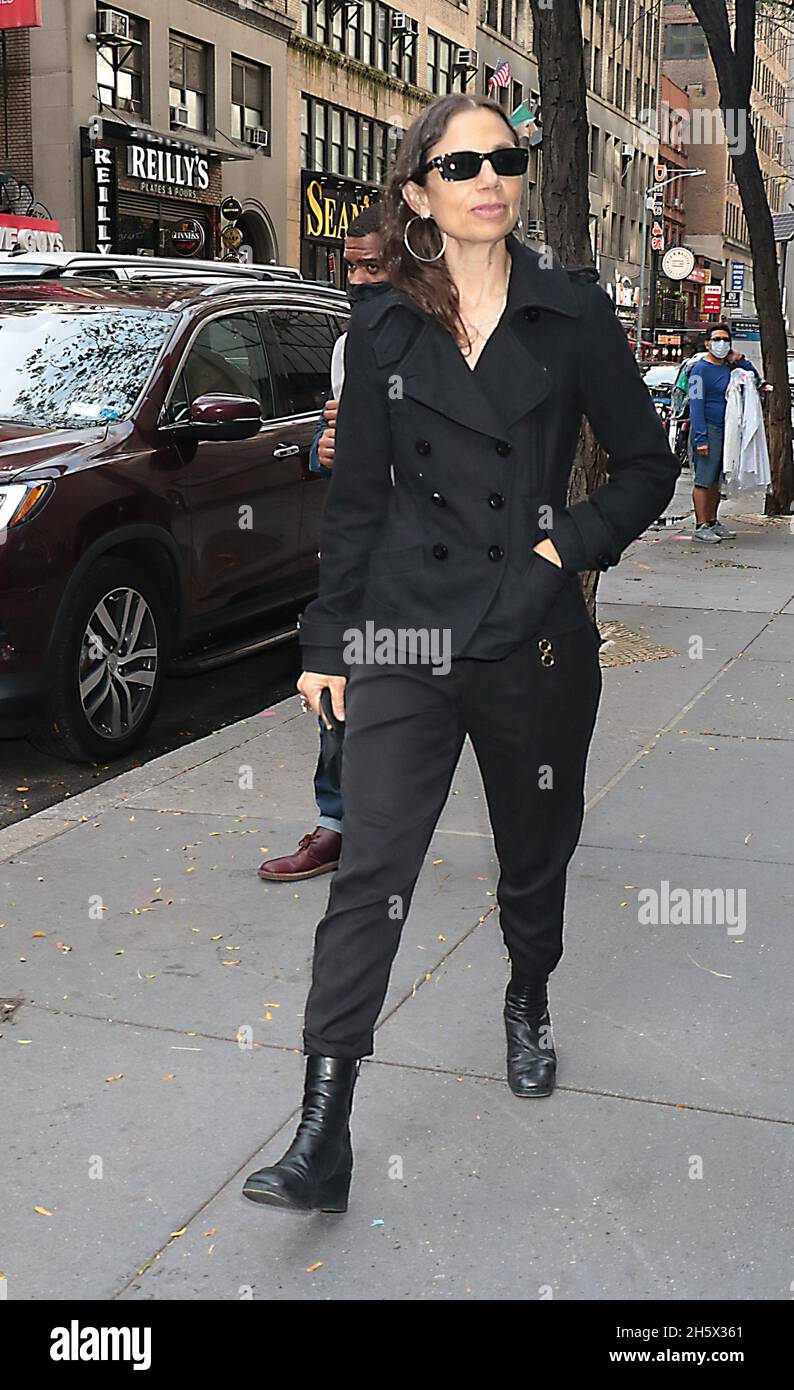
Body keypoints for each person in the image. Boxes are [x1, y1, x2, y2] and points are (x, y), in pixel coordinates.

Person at [242, 92, 679, 1215]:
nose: (489, 177)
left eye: (505, 157)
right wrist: (325, 638)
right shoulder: (381, 325)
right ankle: (322, 1132)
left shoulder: (569, 314)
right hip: (402, 629)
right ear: (416, 192)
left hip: (529, 637)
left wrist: (560, 550)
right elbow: (353, 503)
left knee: (532, 848)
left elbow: (643, 464)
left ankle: (526, 992)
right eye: (461, 163)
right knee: (370, 873)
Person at [257, 204, 390, 881]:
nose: (361, 280)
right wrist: (326, 446)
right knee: (339, 687)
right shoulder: (344, 347)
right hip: (359, 552)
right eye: (352, 266)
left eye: (377, 266)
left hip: (436, 553)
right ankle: (335, 824)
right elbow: (328, 440)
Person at [687, 323, 759, 543]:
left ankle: (712, 520)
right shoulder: (699, 370)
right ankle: (700, 525)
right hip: (708, 429)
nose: (721, 344)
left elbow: (754, 379)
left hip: (728, 430)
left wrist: (741, 360)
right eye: (716, 339)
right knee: (704, 479)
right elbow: (696, 404)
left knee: (717, 480)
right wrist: (701, 438)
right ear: (707, 343)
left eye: (725, 340)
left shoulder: (728, 367)